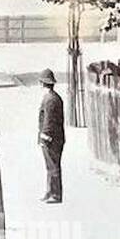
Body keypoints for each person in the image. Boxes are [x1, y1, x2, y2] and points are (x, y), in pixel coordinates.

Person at [38, 68, 65, 203]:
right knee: (50, 166)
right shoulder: (53, 97)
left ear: (43, 84)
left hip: (52, 139)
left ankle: (55, 194)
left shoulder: (50, 100)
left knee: (53, 166)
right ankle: (49, 192)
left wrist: (44, 136)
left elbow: (48, 120)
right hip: (54, 138)